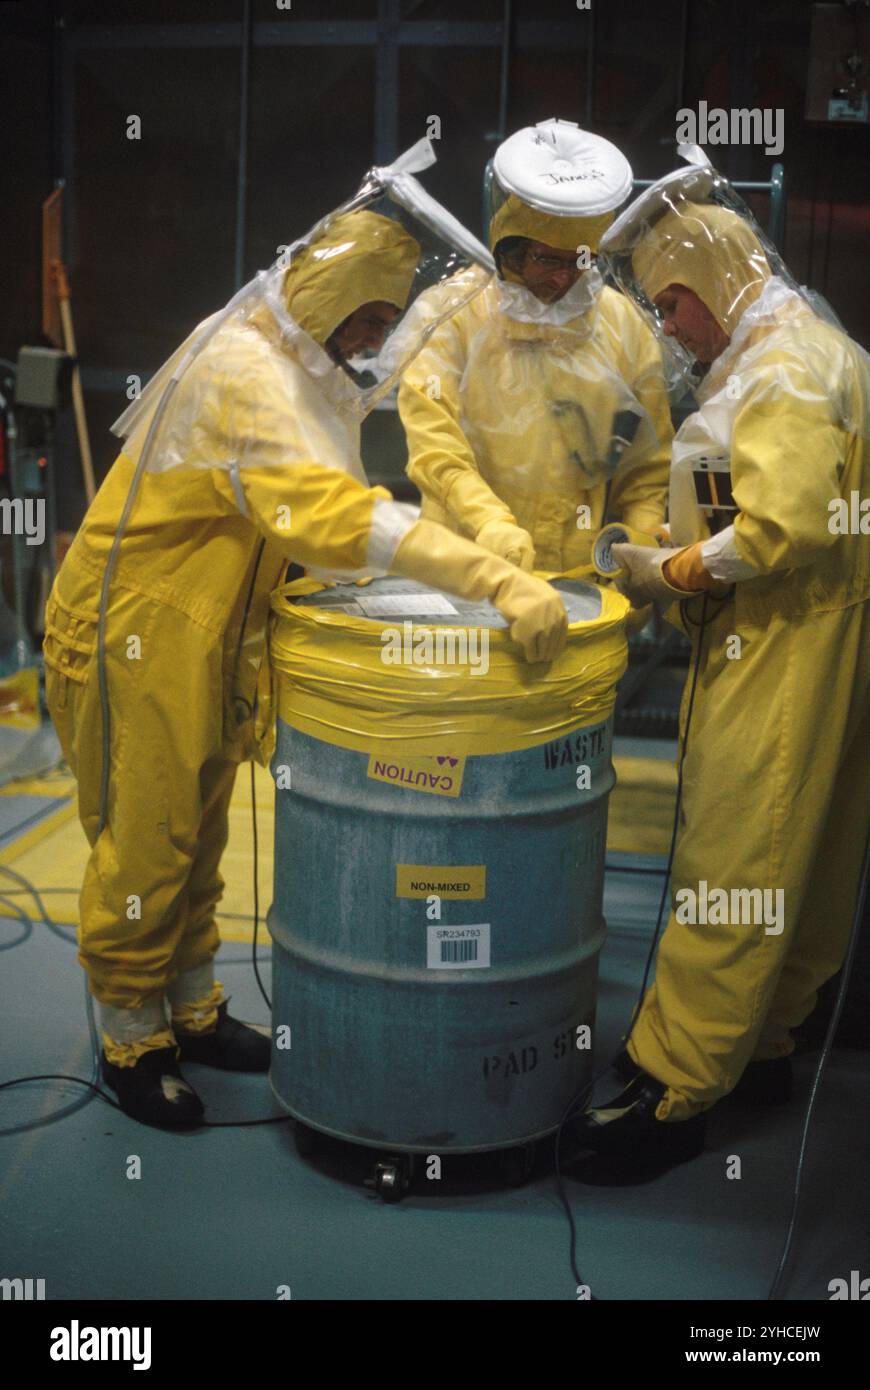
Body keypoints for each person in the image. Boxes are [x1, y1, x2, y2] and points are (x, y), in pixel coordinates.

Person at [43, 153, 568, 1130]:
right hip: (136, 630)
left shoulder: (287, 352)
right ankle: (129, 1033)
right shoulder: (246, 371)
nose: (369, 344)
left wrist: (457, 531)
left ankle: (190, 1010)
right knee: (147, 840)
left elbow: (334, 499)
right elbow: (328, 514)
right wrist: (485, 571)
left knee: (199, 833)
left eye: (382, 325)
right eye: (365, 322)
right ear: (328, 297)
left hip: (200, 627)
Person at [564, 160, 870, 1180]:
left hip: (782, 642)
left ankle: (677, 1089)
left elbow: (778, 529)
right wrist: (679, 534)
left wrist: (667, 567)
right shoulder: (804, 347)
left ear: (713, 278)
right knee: (807, 867)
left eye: (671, 305)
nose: (672, 330)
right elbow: (739, 485)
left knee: (735, 861)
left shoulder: (782, 366)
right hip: (829, 639)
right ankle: (765, 1048)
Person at [398, 119, 673, 580]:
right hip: (462, 565)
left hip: (578, 575)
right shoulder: (452, 313)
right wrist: (489, 522)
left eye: (579, 261)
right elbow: (434, 447)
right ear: (513, 247)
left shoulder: (623, 326)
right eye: (548, 259)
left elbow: (647, 466)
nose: (563, 278)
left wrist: (639, 545)